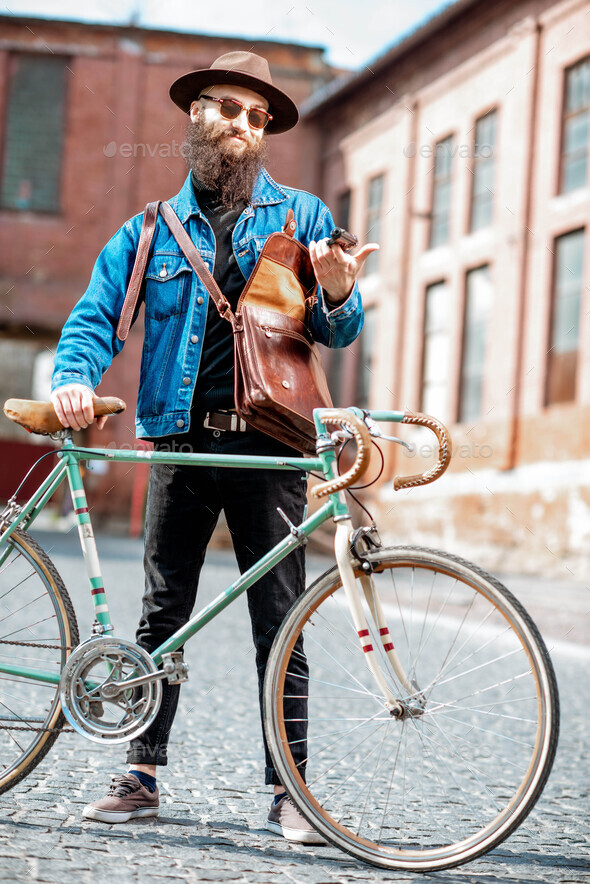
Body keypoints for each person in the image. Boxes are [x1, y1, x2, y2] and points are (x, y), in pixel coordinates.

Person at [51, 51, 377, 843]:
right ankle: (140, 773)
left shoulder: (300, 218)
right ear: (196, 115)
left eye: (258, 118)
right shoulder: (147, 230)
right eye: (230, 110)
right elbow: (96, 320)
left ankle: (287, 789)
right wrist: (72, 377)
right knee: (164, 611)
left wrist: (335, 290)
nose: (244, 126)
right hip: (179, 439)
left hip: (270, 445)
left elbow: (333, 328)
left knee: (282, 617)